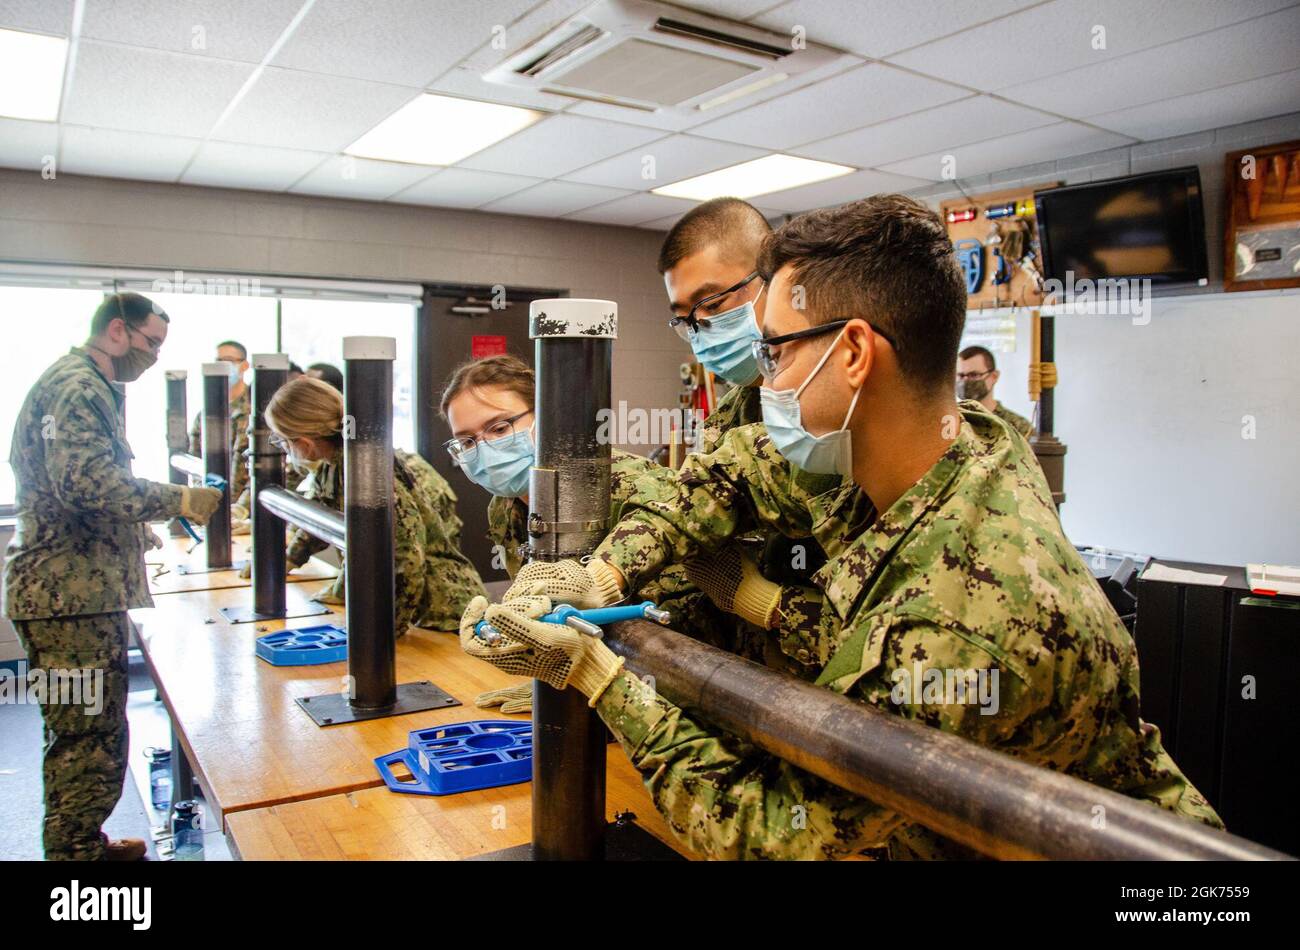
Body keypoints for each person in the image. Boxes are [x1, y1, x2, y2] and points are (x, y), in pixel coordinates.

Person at [460, 195, 1222, 860]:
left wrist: (599, 675)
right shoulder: (947, 440)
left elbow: (763, 835)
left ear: (854, 352)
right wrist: (602, 575)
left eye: (777, 349)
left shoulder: (958, 621)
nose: (766, 378)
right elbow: (726, 474)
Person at [2, 292, 223, 861]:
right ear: (118, 330)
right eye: (150, 343)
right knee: (85, 733)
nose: (149, 357)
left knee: (85, 727)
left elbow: (72, 493)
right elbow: (89, 485)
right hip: (66, 596)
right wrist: (180, 499)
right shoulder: (78, 387)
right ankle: (76, 859)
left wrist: (131, 532)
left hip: (69, 588)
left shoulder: (81, 383)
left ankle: (81, 843)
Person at [439, 354, 725, 712]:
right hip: (600, 685)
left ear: (547, 416)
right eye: (466, 442)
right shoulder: (505, 507)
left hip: (689, 685)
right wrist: (555, 680)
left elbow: (690, 608)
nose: (484, 449)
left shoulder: (626, 485)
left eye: (498, 429)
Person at [659, 197, 843, 663]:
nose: (700, 330)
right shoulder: (734, 414)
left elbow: (873, 630)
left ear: (776, 281)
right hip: (757, 675)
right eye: (685, 318)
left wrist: (771, 607)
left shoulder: (837, 412)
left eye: (713, 303)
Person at [265, 376, 484, 633]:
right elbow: (321, 521)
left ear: (304, 441)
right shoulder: (336, 464)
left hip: (438, 613)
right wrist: (285, 562)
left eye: (282, 440)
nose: (283, 448)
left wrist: (385, 633)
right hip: (408, 612)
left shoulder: (367, 471)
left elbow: (407, 558)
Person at [187, 340, 252, 502]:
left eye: (229, 360)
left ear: (244, 366)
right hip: (213, 502)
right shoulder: (206, 413)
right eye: (218, 361)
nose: (223, 365)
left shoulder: (256, 406)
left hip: (247, 507)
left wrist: (241, 508)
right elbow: (196, 459)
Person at [957, 345, 1033, 438]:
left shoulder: (1019, 427)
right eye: (960, 375)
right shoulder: (949, 422)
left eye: (974, 375)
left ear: (994, 376)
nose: (965, 381)